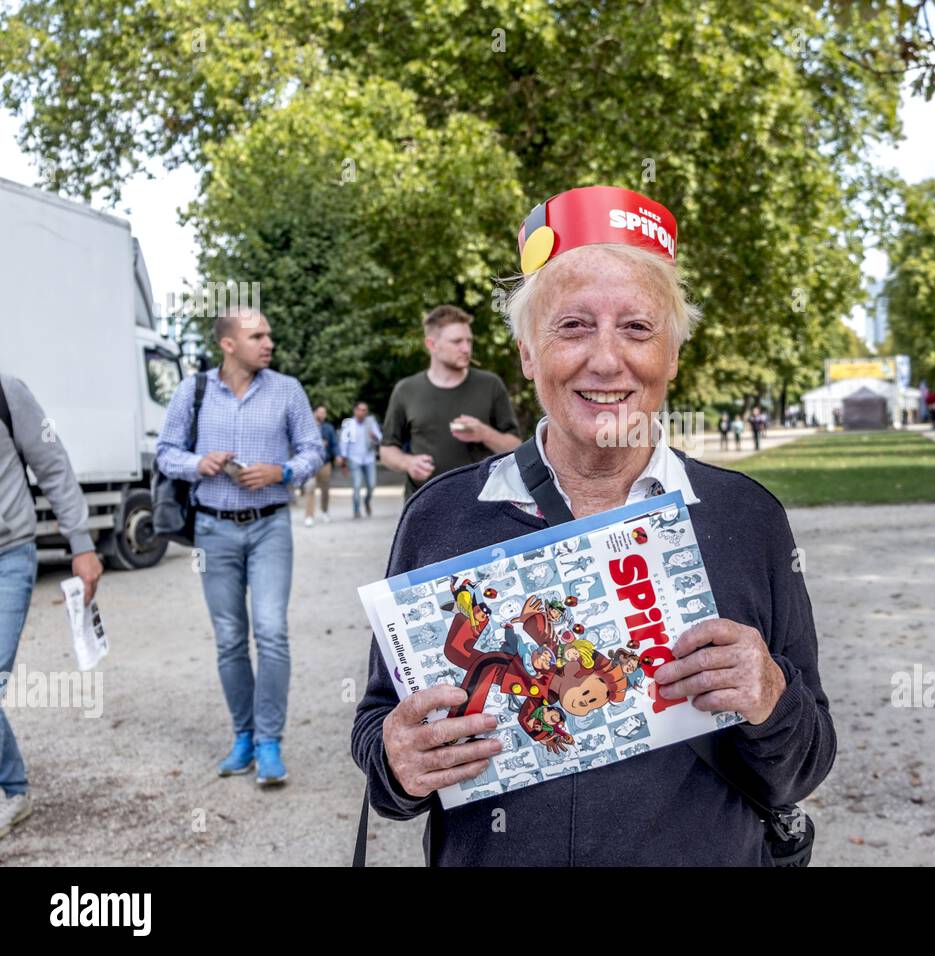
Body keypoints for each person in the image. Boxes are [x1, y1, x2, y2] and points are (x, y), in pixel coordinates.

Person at [352, 185, 835, 865]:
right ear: (527, 353)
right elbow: (379, 735)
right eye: (573, 326)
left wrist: (772, 696)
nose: (606, 360)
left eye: (637, 328)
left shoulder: (747, 518)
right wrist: (399, 763)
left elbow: (802, 766)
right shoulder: (441, 514)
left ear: (671, 353)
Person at [156, 307, 323, 787]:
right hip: (213, 530)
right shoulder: (194, 390)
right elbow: (166, 453)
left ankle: (270, 741)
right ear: (228, 344)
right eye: (257, 336)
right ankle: (243, 736)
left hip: (270, 525)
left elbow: (313, 450)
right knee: (230, 638)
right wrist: (199, 463)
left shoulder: (287, 389)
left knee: (270, 631)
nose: (268, 342)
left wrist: (282, 472)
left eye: (269, 333)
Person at [0, 374, 103, 839]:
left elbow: (53, 465)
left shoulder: (6, 391)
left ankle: (13, 791)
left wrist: (80, 544)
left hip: (8, 554)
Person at [379, 305, 521, 498]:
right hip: (425, 506)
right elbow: (387, 451)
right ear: (432, 345)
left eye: (469, 341)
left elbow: (515, 447)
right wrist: (408, 463)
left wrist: (483, 433)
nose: (466, 348)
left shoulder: (490, 384)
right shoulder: (406, 390)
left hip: (483, 506)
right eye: (457, 341)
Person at [339, 401, 383, 518]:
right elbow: (344, 443)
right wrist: (344, 462)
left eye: (365, 410)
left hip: (369, 459)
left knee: (371, 485)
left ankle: (367, 501)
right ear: (355, 410)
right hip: (355, 459)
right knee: (357, 485)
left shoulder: (370, 423)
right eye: (361, 410)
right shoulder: (349, 424)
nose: (364, 412)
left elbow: (380, 438)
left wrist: (375, 437)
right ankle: (356, 510)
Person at [302, 404, 338, 527]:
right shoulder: (305, 428)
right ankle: (309, 516)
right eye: (321, 412)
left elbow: (334, 444)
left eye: (325, 413)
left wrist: (337, 456)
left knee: (325, 489)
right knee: (309, 488)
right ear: (314, 413)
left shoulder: (328, 428)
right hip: (310, 464)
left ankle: (324, 511)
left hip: (325, 462)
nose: (323, 415)